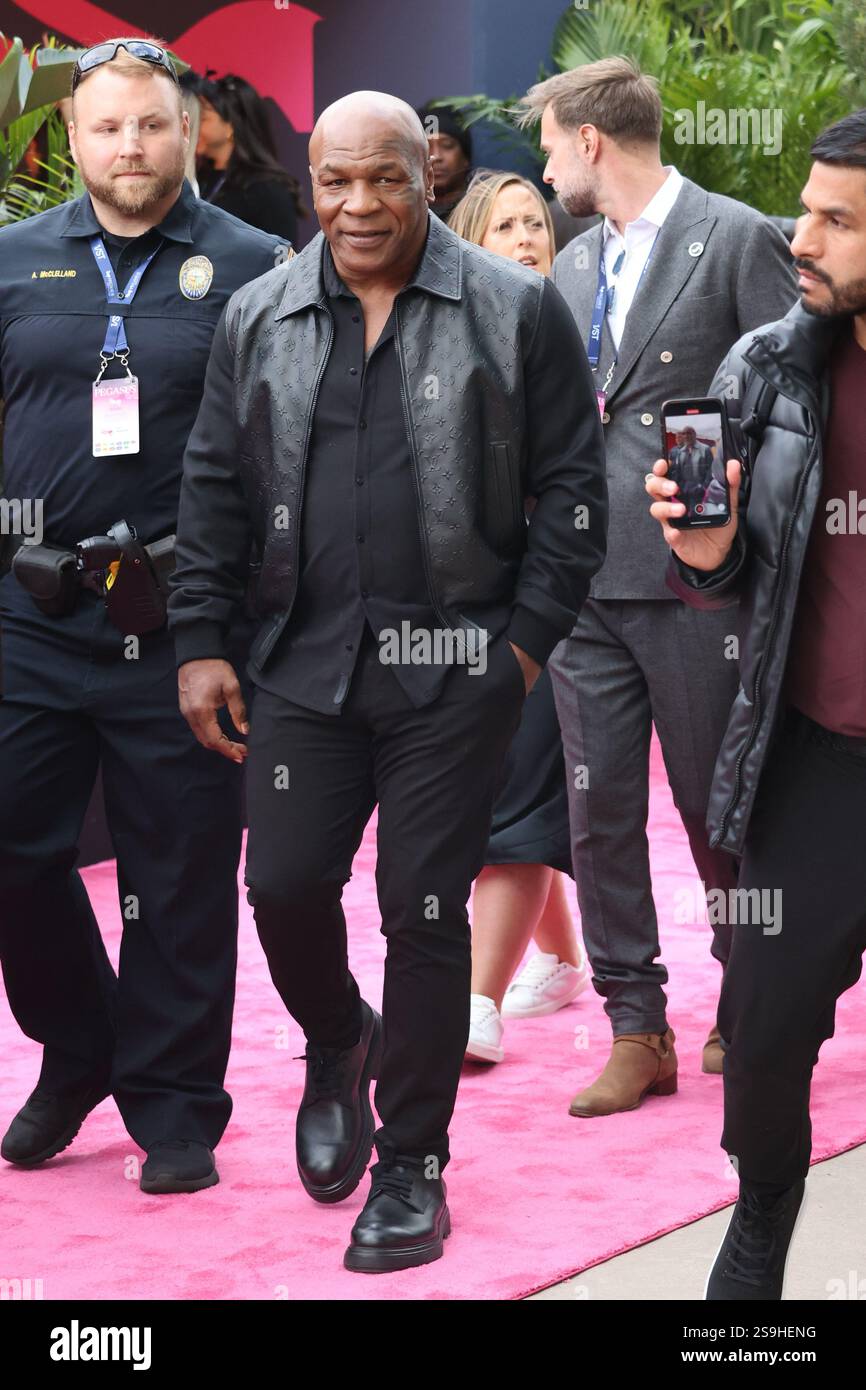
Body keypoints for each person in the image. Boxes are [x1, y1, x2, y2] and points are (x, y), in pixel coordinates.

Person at [167, 89, 607, 1272]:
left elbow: (572, 496)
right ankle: (334, 1041)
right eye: (334, 181)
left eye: (385, 180)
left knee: (423, 911)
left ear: (428, 179)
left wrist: (516, 652)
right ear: (310, 182)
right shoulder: (259, 312)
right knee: (286, 890)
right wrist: (201, 640)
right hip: (301, 665)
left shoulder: (513, 311)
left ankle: (411, 1160)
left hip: (454, 672)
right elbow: (211, 486)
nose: (357, 205)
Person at [0, 37, 289, 1195]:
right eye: (108, 127)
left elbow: (286, 455)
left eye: (151, 125)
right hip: (28, 612)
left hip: (185, 626)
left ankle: (175, 1106)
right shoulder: (12, 263)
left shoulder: (257, 265)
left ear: (189, 131)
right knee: (14, 852)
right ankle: (81, 1049)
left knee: (178, 870)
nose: (130, 145)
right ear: (72, 139)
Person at [515, 57, 798, 1116]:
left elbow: (790, 389)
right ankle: (636, 1025)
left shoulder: (732, 236)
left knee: (711, 803)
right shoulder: (576, 262)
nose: (542, 169)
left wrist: (750, 537)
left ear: (590, 139)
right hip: (581, 582)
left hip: (697, 584)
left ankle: (749, 992)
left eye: (549, 145)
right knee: (596, 814)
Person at [647, 108, 866, 1302]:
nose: (803, 235)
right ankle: (764, 1205)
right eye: (804, 207)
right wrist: (708, 546)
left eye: (835, 219)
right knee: (766, 1030)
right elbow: (721, 570)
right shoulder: (768, 366)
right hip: (817, 758)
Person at [447, 172, 589, 1064]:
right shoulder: (451, 329)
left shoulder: (576, 320)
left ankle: (474, 1003)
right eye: (505, 224)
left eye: (537, 220)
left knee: (520, 781)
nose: (528, 236)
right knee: (504, 782)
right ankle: (566, 957)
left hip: (558, 587)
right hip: (460, 597)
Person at [192, 72, 305, 242]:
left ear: (231, 125)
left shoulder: (267, 190)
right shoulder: (196, 179)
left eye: (203, 118)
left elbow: (284, 260)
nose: (192, 125)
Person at [416, 101, 473, 221]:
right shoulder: (406, 214)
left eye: (447, 145)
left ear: (465, 157)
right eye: (427, 147)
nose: (436, 156)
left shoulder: (485, 207)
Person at [668, 426, 715, 515]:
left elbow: (711, 470)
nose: (686, 436)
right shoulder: (680, 451)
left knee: (696, 514)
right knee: (682, 514)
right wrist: (677, 486)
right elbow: (677, 471)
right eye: (684, 433)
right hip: (683, 490)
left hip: (698, 490)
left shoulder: (705, 449)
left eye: (689, 433)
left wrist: (704, 486)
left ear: (695, 434)